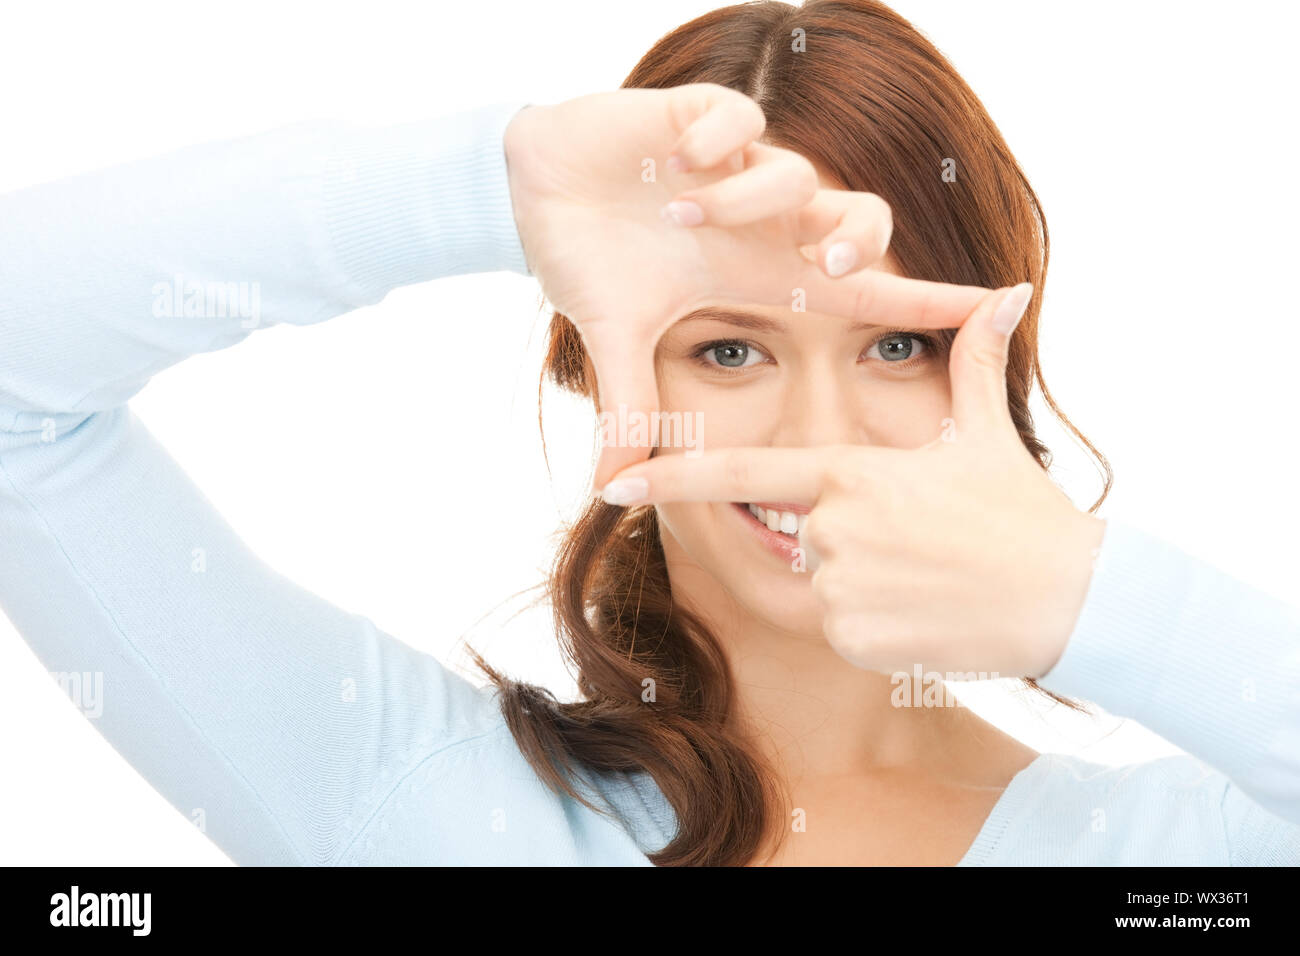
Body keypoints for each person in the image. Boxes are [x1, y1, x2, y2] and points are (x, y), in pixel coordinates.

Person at [1, 0, 1296, 866]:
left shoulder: (1183, 858)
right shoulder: (424, 806)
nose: (819, 433)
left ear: (996, 355)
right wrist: (486, 189)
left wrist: (1097, 598)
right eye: (728, 347)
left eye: (895, 343)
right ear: (600, 363)